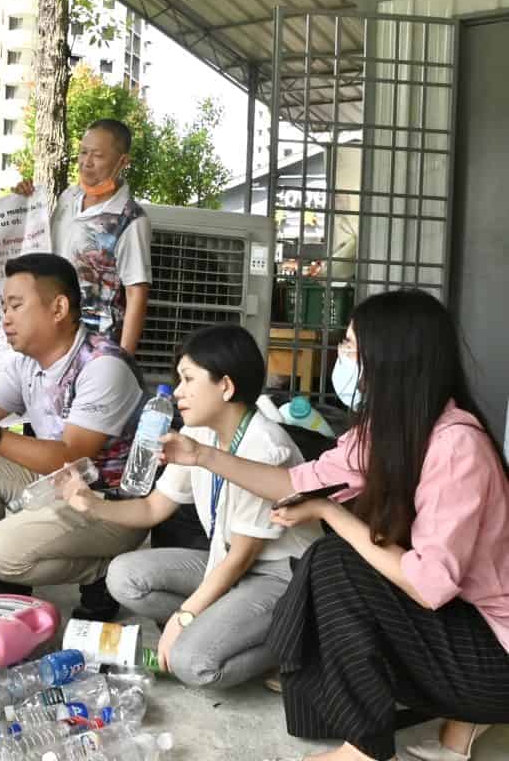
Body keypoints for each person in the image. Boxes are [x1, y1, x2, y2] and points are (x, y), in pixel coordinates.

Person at [160, 289, 509, 761]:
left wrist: (330, 513)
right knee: (330, 568)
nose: (340, 358)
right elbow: (294, 481)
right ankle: (424, 714)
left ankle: (366, 747)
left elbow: (428, 586)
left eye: (349, 346)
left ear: (389, 357)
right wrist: (201, 455)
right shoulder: (390, 430)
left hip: (494, 653)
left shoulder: (457, 447)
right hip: (463, 625)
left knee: (335, 562)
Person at [61, 323, 322, 689]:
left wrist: (184, 618)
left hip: (278, 574)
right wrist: (92, 504)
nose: (178, 393)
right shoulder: (198, 435)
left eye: (188, 380)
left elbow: (241, 558)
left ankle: (296, 646)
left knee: (192, 663)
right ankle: (226, 629)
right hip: (225, 558)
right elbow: (153, 508)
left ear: (226, 387)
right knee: (124, 576)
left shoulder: (265, 447)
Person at [0, 252, 145, 621]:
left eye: (16, 305)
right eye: (3, 307)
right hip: (57, 486)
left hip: (110, 505)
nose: (5, 318)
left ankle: (102, 570)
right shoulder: (27, 362)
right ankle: (5, 577)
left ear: (58, 308)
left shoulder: (103, 366)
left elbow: (73, 455)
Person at [14, 119, 151, 356]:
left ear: (122, 162)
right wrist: (24, 202)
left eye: (97, 155)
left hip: (94, 348)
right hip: (50, 337)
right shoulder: (69, 197)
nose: (86, 163)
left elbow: (136, 294)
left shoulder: (130, 220)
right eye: (83, 152)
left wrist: (122, 362)